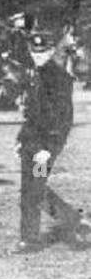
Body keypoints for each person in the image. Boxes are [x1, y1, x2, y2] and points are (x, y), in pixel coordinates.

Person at [14, 32, 88, 252]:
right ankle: (72, 218)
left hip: (43, 149)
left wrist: (48, 149)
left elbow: (63, 118)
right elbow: (32, 114)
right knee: (34, 188)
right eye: (34, 51)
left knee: (32, 191)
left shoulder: (59, 79)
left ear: (50, 50)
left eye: (43, 51)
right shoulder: (34, 75)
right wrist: (21, 140)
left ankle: (30, 240)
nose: (38, 55)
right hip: (30, 145)